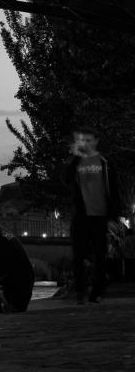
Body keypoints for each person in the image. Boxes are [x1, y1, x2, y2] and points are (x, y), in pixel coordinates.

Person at [61, 126, 124, 303]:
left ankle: (97, 292)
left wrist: (113, 216)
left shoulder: (105, 162)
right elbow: (65, 180)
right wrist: (75, 158)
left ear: (96, 141)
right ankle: (80, 291)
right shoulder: (76, 162)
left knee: (100, 256)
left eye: (88, 140)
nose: (84, 144)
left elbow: (114, 190)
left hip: (100, 215)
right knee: (78, 255)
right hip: (81, 214)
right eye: (81, 140)